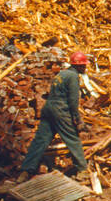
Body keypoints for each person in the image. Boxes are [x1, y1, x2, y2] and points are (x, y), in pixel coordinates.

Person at [19, 51, 89, 179]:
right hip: (60, 110)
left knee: (40, 140)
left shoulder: (61, 74)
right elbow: (73, 101)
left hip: (48, 108)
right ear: (78, 65)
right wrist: (78, 120)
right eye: (84, 65)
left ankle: (25, 170)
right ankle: (82, 170)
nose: (85, 67)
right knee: (73, 139)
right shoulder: (73, 77)